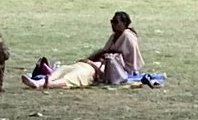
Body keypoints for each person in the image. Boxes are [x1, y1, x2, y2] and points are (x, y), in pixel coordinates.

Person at [22, 11, 154, 89]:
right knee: (66, 68)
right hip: (100, 63)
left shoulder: (127, 36)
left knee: (78, 75)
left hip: (115, 67)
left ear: (124, 24)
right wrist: (88, 59)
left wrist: (92, 63)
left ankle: (49, 84)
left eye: (115, 22)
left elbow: (120, 59)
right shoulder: (115, 36)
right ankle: (40, 82)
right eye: (112, 21)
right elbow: (105, 50)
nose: (112, 24)